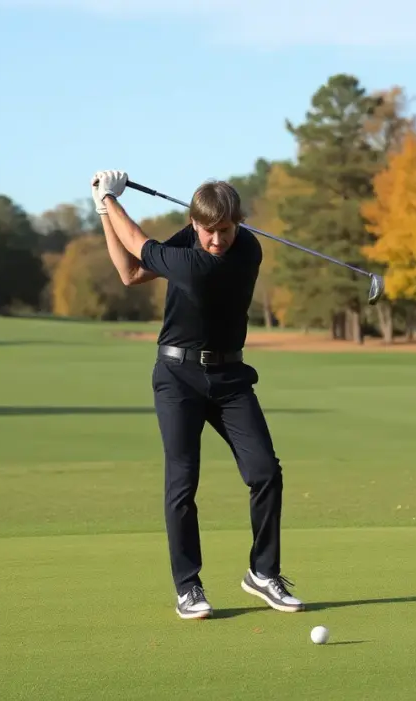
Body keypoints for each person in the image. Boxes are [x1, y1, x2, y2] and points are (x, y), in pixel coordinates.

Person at [90, 169, 305, 620]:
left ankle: (263, 573)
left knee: (265, 471)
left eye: (225, 230)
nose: (216, 241)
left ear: (239, 224)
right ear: (194, 224)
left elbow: (140, 246)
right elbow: (130, 273)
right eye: (208, 231)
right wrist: (103, 212)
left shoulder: (229, 256)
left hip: (229, 378)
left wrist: (109, 200)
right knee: (182, 483)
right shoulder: (195, 245)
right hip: (177, 377)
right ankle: (188, 587)